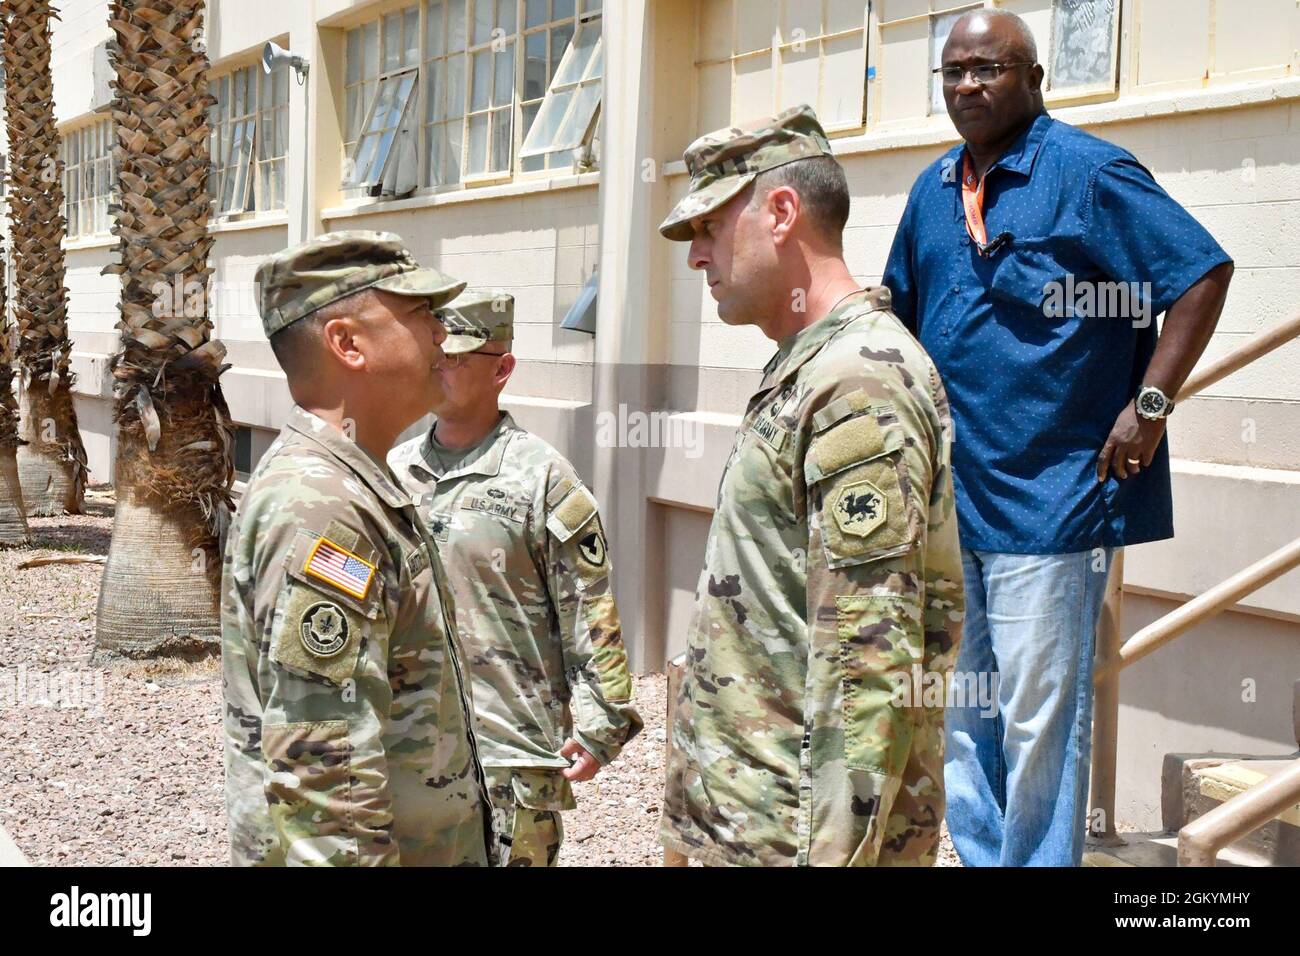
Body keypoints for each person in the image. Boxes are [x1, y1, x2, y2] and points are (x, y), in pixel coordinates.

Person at [882, 9, 1234, 867]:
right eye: (953, 71)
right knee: (964, 711)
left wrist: (1148, 406)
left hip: (1055, 502)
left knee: (1041, 724)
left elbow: (1201, 273)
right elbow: (901, 308)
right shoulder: (933, 190)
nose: (968, 85)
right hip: (951, 506)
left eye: (988, 69)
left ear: (1034, 78)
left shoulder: (1088, 172)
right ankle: (980, 854)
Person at [657, 104, 964, 867]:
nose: (697, 257)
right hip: (752, 825)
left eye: (708, 228)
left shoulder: (857, 379)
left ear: (782, 211)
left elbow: (867, 664)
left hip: (792, 842)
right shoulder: (812, 362)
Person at [221, 231, 493, 866]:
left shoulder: (352, 481)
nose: (441, 334)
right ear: (347, 343)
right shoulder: (323, 508)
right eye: (421, 313)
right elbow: (325, 777)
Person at [389, 289, 642, 867]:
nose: (440, 369)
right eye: (435, 356)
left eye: (457, 358)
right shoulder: (395, 473)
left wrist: (604, 719)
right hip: (407, 745)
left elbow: (588, 604)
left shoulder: (542, 477)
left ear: (502, 369)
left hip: (509, 751)